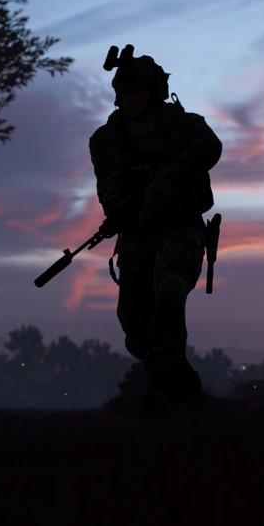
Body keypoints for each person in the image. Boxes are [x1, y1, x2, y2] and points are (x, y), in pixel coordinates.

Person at [89, 48, 222, 411]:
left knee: (170, 289)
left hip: (181, 228)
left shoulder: (183, 125)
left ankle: (162, 394)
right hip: (137, 235)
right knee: (135, 328)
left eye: (137, 91)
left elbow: (211, 148)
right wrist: (121, 209)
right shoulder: (107, 139)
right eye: (125, 91)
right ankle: (187, 388)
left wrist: (167, 181)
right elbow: (109, 185)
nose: (129, 99)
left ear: (153, 92)